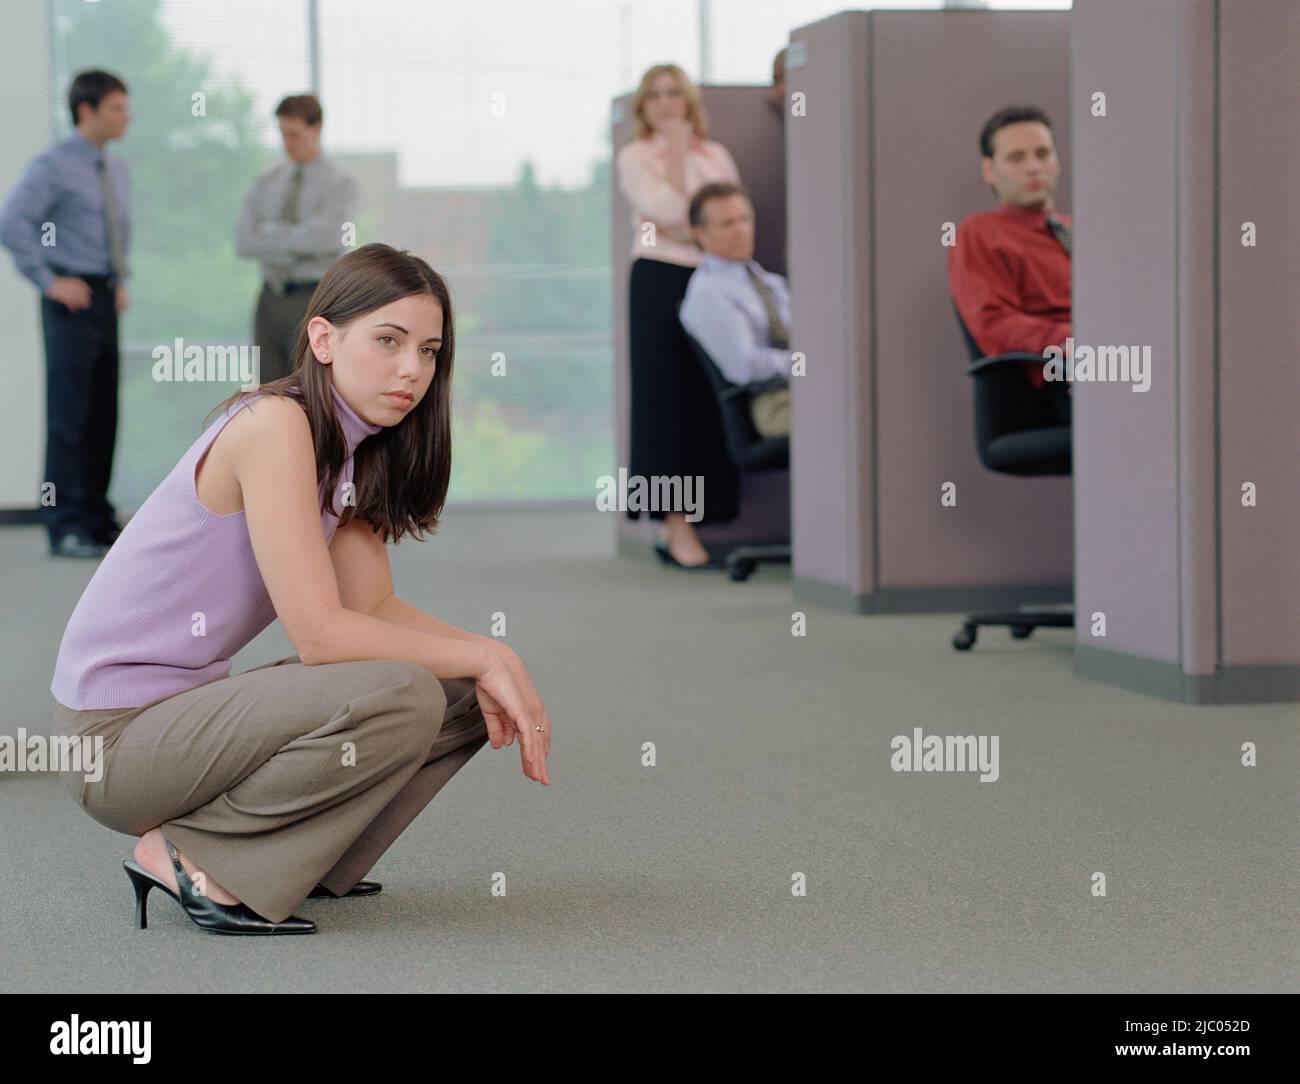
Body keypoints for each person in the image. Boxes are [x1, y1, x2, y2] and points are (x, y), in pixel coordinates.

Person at [49, 243, 552, 936]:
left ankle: (297, 860)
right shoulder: (275, 425)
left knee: (456, 691)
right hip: (115, 744)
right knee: (404, 690)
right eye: (388, 340)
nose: (413, 369)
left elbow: (370, 609)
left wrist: (491, 658)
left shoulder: (354, 449)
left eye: (430, 351)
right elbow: (320, 636)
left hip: (188, 718)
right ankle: (193, 859)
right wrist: (490, 654)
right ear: (323, 338)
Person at [0, 69, 132, 558]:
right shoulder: (54, 165)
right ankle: (65, 524)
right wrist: (49, 279)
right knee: (69, 413)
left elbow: (121, 229)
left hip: (104, 294)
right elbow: (11, 221)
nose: (127, 117)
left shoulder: (113, 167)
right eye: (117, 108)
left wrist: (122, 279)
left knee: (103, 412)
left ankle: (96, 518)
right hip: (68, 301)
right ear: (87, 111)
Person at [615, 63, 743, 570]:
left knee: (708, 395)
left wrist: (693, 228)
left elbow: (729, 216)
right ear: (642, 107)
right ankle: (674, 526)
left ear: (690, 100)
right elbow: (670, 207)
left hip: (714, 277)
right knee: (663, 401)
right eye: (655, 96)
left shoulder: (716, 155)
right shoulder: (636, 155)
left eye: (675, 94)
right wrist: (672, 155)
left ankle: (704, 514)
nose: (666, 104)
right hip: (659, 278)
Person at [947, 105, 1072, 423]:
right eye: (1017, 158)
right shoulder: (981, 233)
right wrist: (1071, 339)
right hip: (1055, 375)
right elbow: (995, 325)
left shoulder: (1081, 231)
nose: (1033, 167)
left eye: (1043, 153)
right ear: (989, 170)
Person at [236, 93, 357, 384]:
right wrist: (299, 237)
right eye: (282, 133)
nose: (286, 143)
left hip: (312, 300)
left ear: (316, 129)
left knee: (310, 390)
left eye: (294, 134)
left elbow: (325, 241)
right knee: (268, 392)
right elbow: (243, 240)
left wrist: (270, 233)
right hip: (269, 300)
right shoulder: (266, 182)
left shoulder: (339, 185)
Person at [679, 182, 792, 438]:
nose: (741, 230)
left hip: (804, 389)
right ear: (700, 234)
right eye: (727, 223)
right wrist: (805, 365)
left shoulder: (771, 283)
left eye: (745, 219)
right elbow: (745, 366)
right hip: (774, 403)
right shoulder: (709, 293)